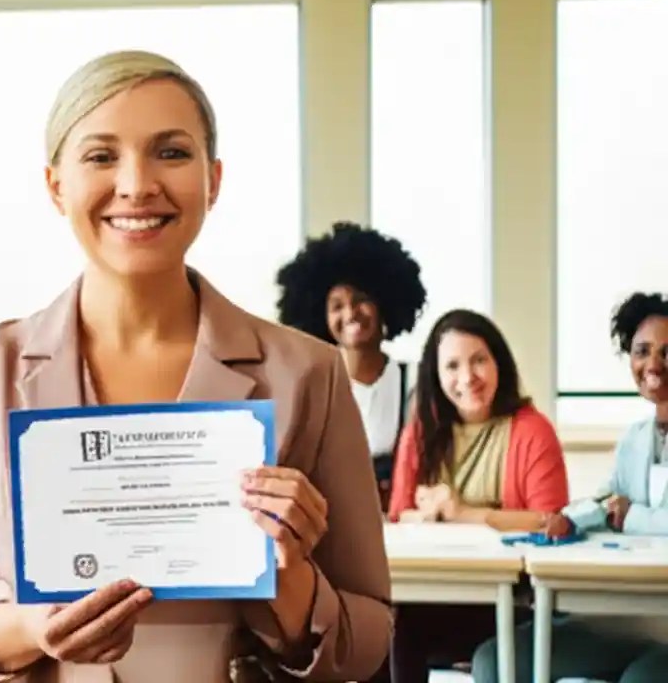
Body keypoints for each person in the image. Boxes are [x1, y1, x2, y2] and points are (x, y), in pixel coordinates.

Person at [0, 50, 391, 683]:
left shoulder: (310, 374)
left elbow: (369, 635)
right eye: (101, 156)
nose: (136, 185)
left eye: (172, 152)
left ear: (213, 179)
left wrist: (291, 576)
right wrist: (31, 629)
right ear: (56, 185)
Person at [468, 291, 668, 682]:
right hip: (614, 618)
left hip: (662, 623)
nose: (653, 363)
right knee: (493, 663)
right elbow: (606, 498)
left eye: (667, 351)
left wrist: (630, 515)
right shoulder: (635, 438)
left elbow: (624, 511)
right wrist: (569, 519)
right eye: (642, 350)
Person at [384, 309, 569, 683]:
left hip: (514, 602)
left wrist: (461, 512)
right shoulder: (420, 433)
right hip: (433, 597)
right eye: (452, 365)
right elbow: (399, 516)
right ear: (435, 374)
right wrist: (426, 516)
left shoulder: (532, 431)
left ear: (498, 362)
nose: (467, 377)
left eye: (479, 360)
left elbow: (553, 522)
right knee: (382, 631)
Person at [276, 221, 427, 506]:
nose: (351, 314)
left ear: (385, 305)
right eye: (336, 305)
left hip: (400, 532)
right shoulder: (313, 388)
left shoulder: (415, 383)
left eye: (361, 300)